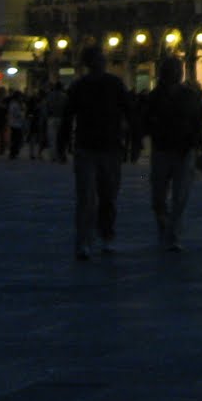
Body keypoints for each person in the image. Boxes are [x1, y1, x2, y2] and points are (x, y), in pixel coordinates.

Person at [58, 46, 134, 260]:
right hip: (88, 148)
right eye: (97, 60)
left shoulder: (113, 84)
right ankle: (85, 241)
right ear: (90, 64)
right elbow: (67, 117)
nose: (100, 63)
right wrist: (62, 144)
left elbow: (130, 111)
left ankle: (105, 236)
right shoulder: (81, 87)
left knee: (107, 196)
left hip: (108, 148)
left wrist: (134, 141)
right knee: (87, 198)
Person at [144, 55, 202, 252]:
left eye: (178, 70)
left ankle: (173, 234)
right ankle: (165, 224)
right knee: (158, 198)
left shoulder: (190, 95)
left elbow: (199, 122)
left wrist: (199, 147)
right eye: (173, 70)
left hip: (184, 151)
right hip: (161, 150)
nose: (176, 74)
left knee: (180, 197)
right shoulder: (154, 96)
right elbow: (143, 121)